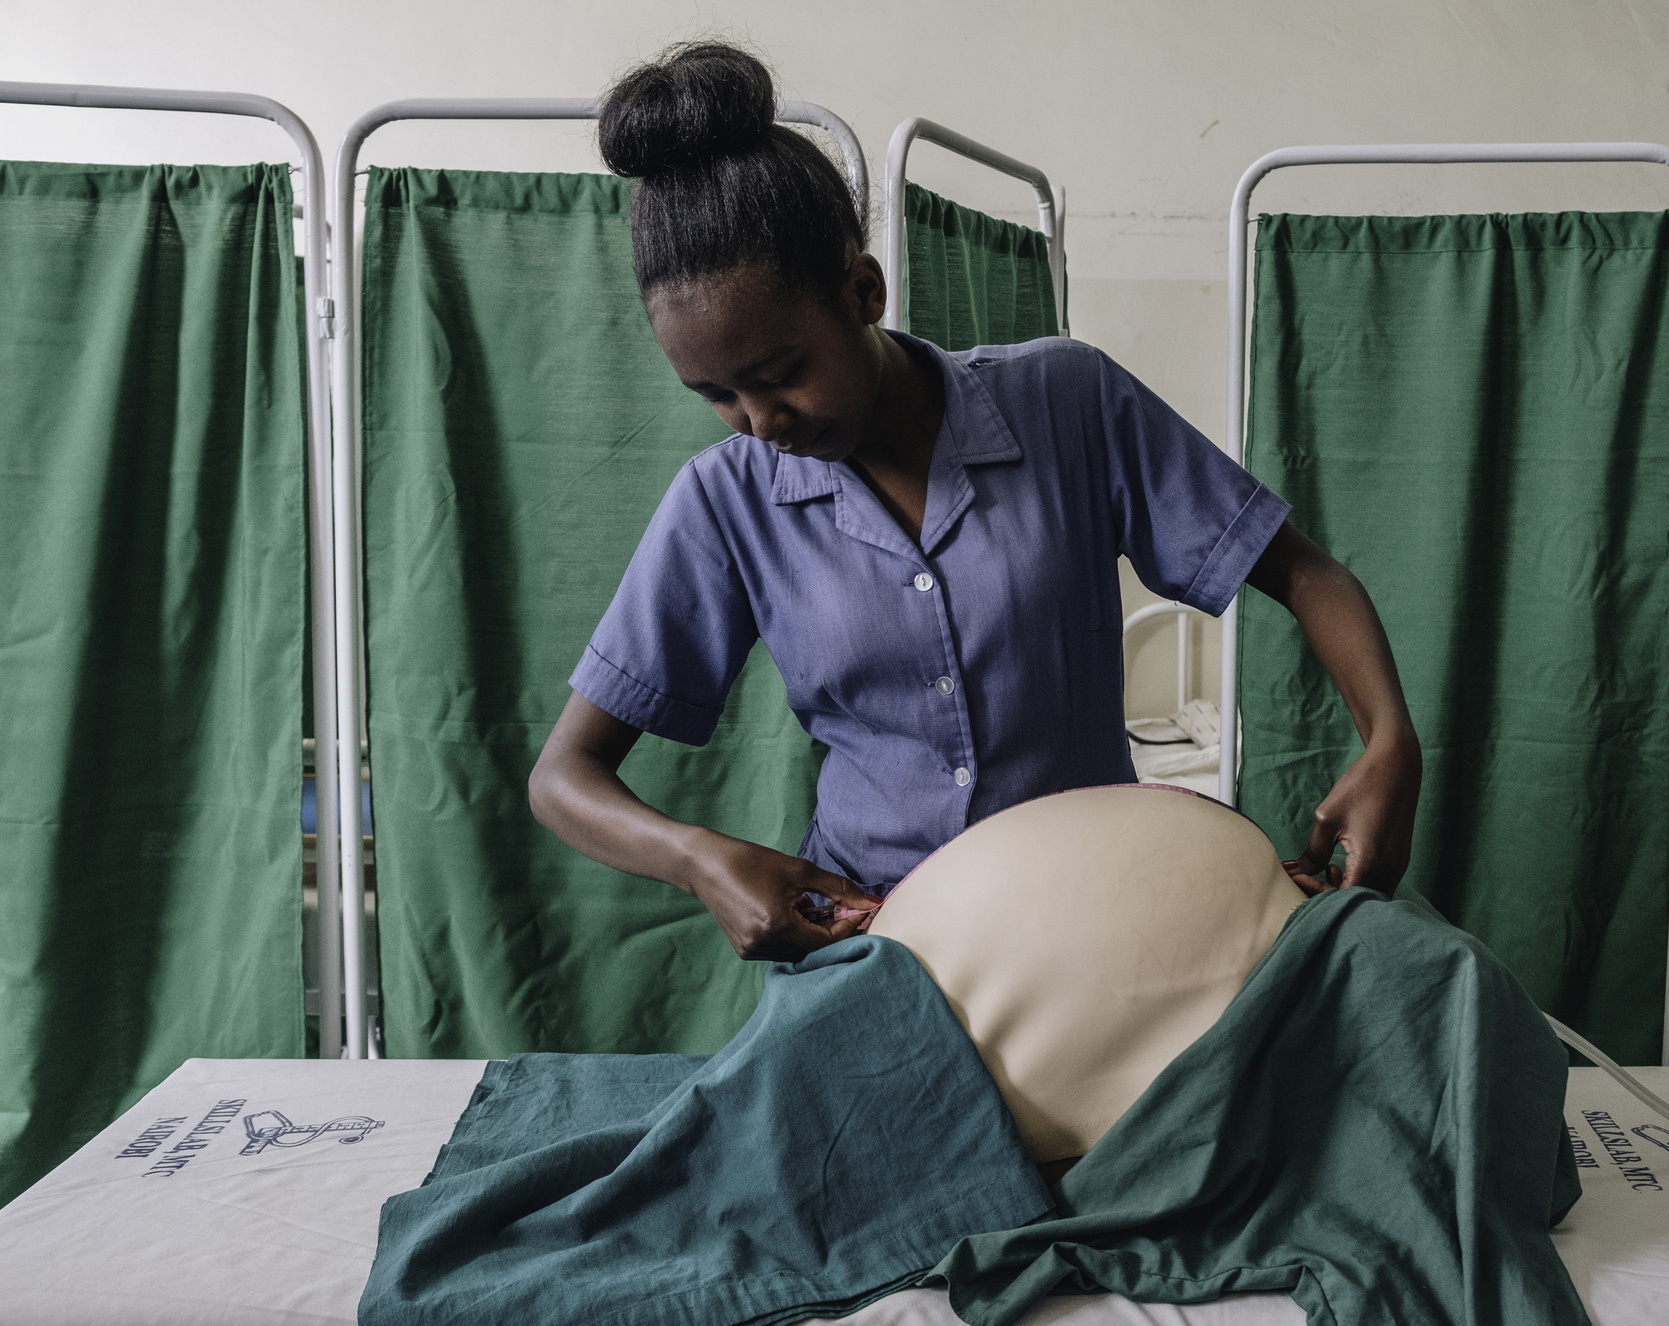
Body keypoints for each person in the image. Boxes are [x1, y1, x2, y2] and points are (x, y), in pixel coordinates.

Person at [529, 40, 1421, 962]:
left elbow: (1307, 575)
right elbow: (564, 778)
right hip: (880, 943)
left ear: (862, 290)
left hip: (1096, 929)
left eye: (781, 374)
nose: (760, 424)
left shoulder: (1070, 403)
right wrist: (701, 857)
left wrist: (1391, 739)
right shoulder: (725, 501)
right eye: (716, 395)